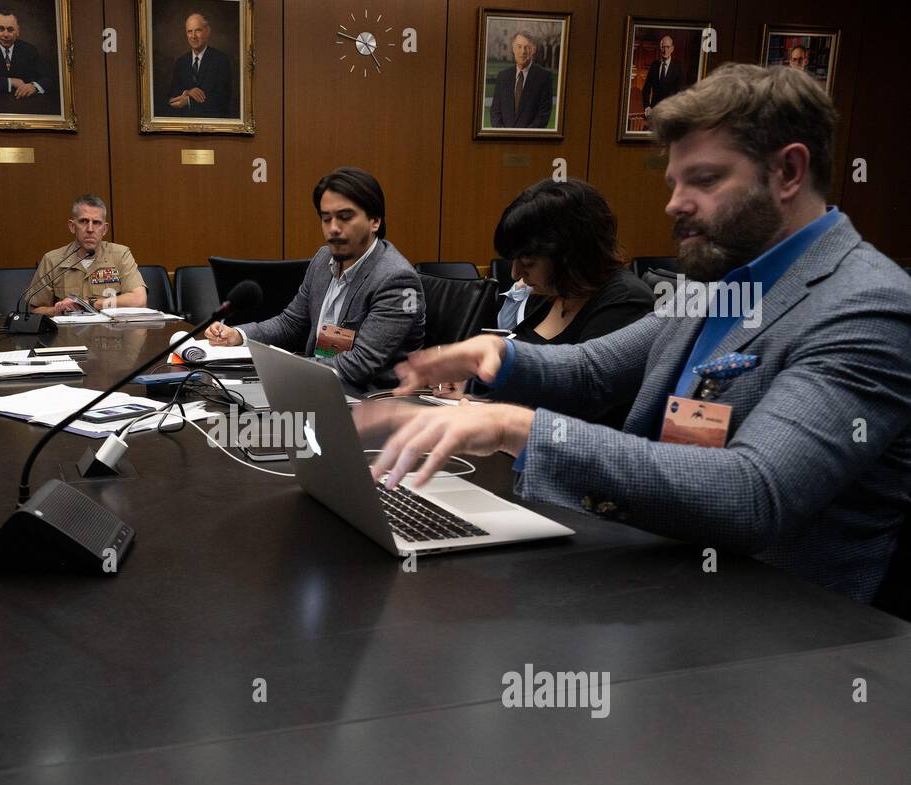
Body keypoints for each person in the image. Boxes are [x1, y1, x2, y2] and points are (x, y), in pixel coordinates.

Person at [356, 64, 911, 605]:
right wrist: (499, 353)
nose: (674, 203)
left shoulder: (866, 306)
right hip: (661, 576)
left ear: (789, 172)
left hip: (776, 636)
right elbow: (597, 369)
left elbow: (753, 491)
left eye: (705, 179)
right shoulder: (725, 280)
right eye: (674, 182)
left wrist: (512, 425)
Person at [207, 167, 425, 393]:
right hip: (320, 384)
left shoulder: (396, 279)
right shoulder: (324, 259)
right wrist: (239, 335)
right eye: (326, 218)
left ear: (375, 221)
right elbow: (290, 324)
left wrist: (281, 372)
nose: (333, 229)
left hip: (371, 400)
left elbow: (359, 365)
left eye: (345, 217)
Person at [494, 178, 653, 348]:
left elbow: (586, 373)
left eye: (528, 263)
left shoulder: (625, 303)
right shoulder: (550, 292)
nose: (515, 274)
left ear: (569, 255)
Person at [28, 195, 147, 316]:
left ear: (104, 229)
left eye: (96, 222)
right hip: (68, 333)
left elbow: (139, 300)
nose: (90, 229)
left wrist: (89, 304)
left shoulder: (120, 255)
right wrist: (57, 310)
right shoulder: (52, 260)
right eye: (84, 221)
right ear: (72, 226)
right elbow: (33, 311)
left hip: (111, 333)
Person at [167, 13, 233, 117]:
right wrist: (187, 92)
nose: (193, 36)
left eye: (198, 30)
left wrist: (188, 101)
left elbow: (222, 101)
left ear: (207, 32)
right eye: (189, 31)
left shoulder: (221, 60)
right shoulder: (181, 62)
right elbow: (170, 98)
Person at [489, 31, 553, 128]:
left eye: (527, 47)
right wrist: (502, 134)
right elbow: (495, 111)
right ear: (513, 49)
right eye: (519, 46)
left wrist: (522, 136)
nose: (523, 51)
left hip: (528, 141)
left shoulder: (544, 77)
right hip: (503, 140)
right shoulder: (503, 76)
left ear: (533, 50)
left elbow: (543, 116)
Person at [641, 35, 684, 120]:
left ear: (672, 48)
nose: (665, 50)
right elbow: (646, 89)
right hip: (654, 112)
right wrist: (647, 107)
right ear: (660, 48)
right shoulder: (654, 65)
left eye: (668, 47)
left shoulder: (678, 66)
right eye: (663, 47)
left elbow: (681, 91)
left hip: (671, 113)